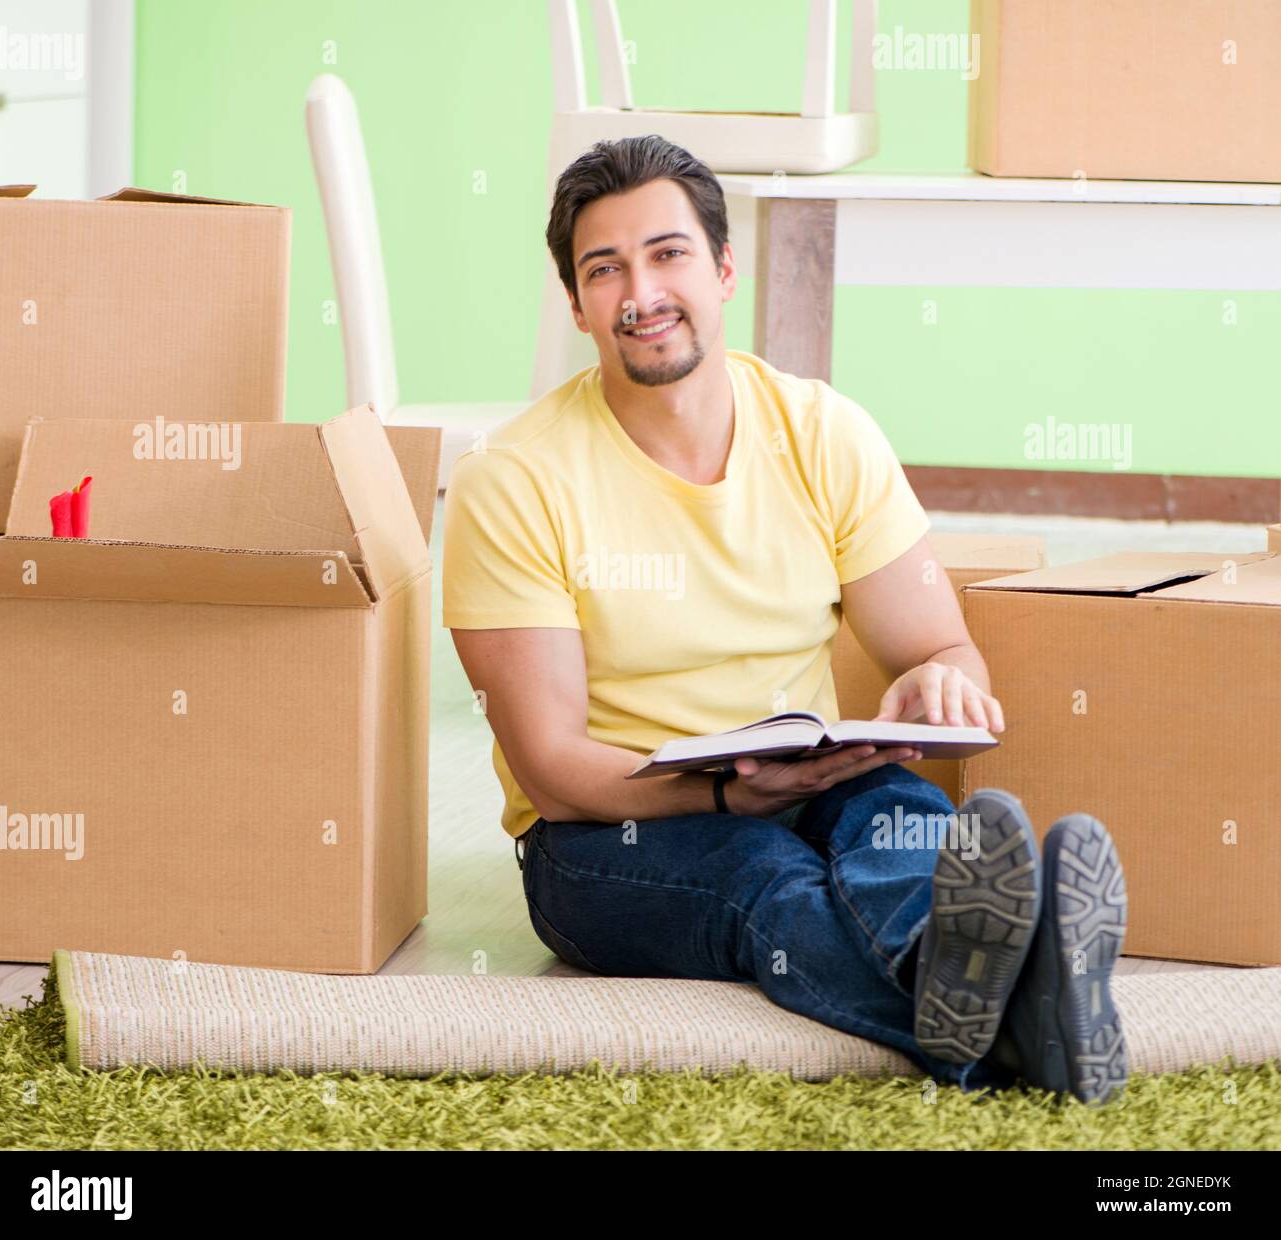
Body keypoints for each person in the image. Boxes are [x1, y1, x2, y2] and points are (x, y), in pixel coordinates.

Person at [441, 134, 1128, 1106]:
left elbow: (939, 644)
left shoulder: (820, 432)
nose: (640, 291)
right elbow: (553, 770)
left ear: (724, 269)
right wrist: (723, 799)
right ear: (576, 302)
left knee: (898, 819)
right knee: (765, 874)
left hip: (812, 777)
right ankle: (1032, 1013)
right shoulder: (509, 483)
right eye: (606, 268)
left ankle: (1000, 996)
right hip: (608, 838)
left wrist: (941, 679)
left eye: (668, 253)